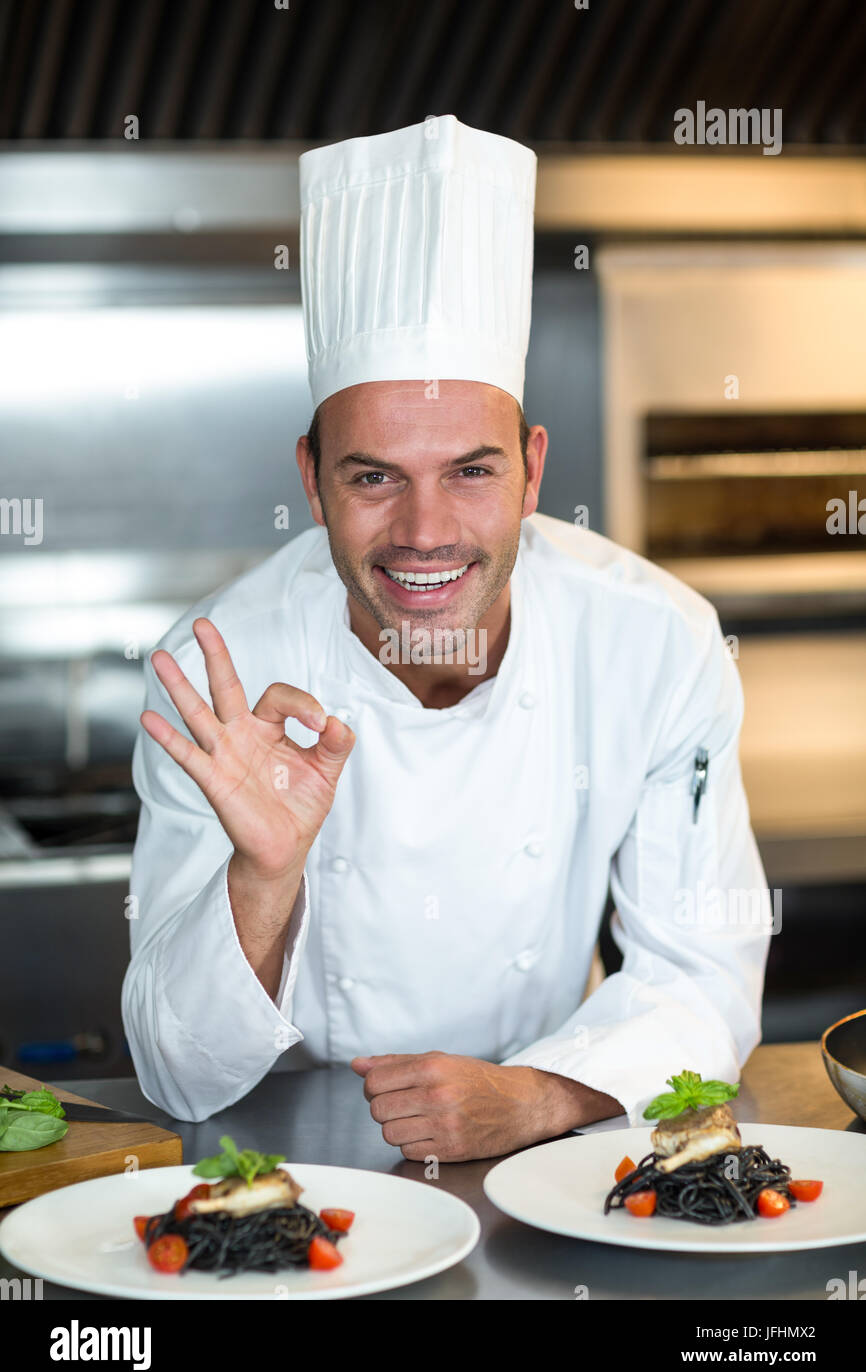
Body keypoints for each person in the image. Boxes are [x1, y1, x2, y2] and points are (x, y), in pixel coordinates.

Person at [121, 116, 771, 1156]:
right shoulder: (216, 674)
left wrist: (541, 1095)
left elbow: (701, 974)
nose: (424, 535)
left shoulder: (653, 643)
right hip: (286, 1178)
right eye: (373, 476)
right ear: (310, 480)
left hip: (557, 1161)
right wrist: (263, 879)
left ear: (532, 470)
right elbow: (175, 1071)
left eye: (470, 471)